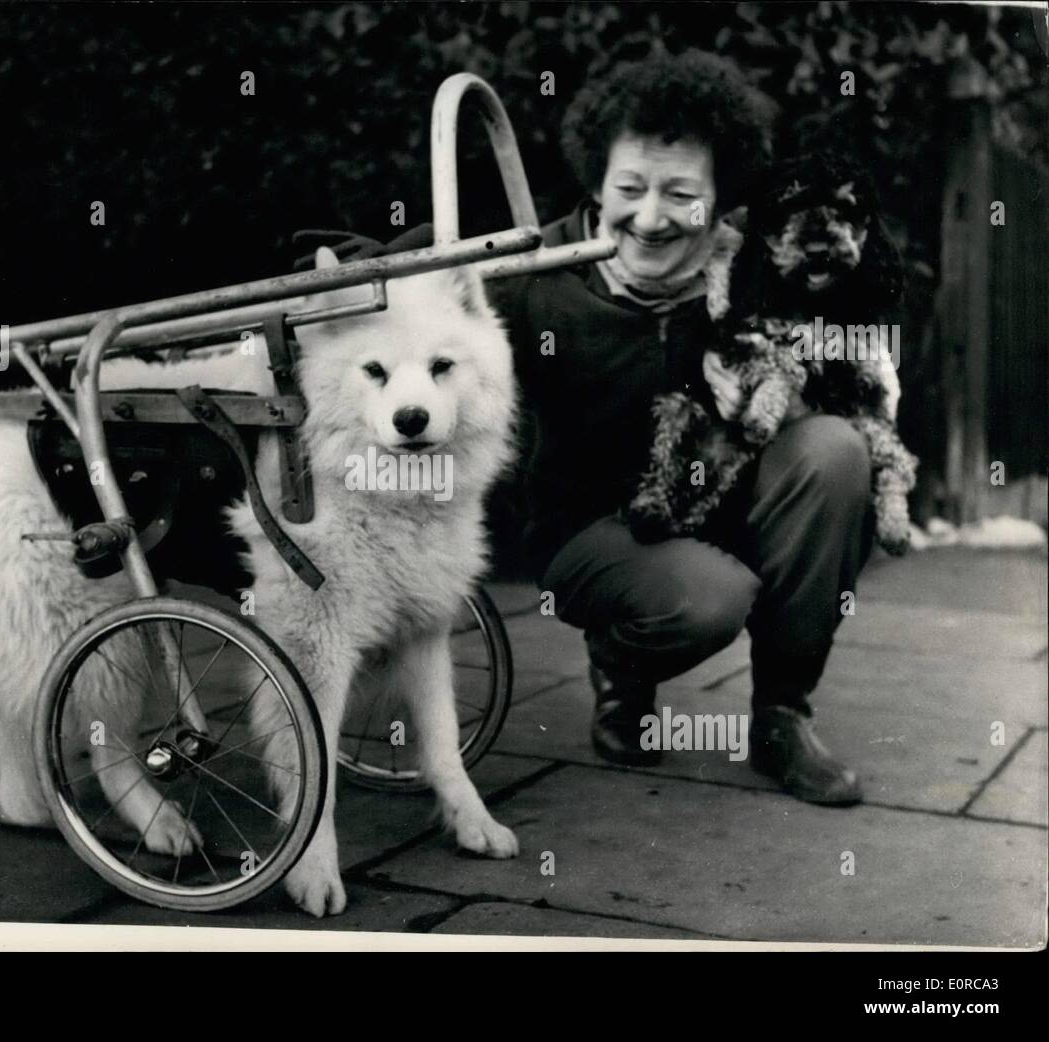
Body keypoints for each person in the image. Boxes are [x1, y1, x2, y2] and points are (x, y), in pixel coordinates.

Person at [300, 49, 874, 806]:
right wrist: (342, 273)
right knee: (708, 599)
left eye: (681, 194)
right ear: (597, 186)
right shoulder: (530, 270)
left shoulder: (759, 272)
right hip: (588, 531)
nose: (651, 216)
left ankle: (780, 716)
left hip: (719, 499)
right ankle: (623, 669)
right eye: (629, 189)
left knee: (836, 452)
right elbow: (384, 285)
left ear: (720, 197)